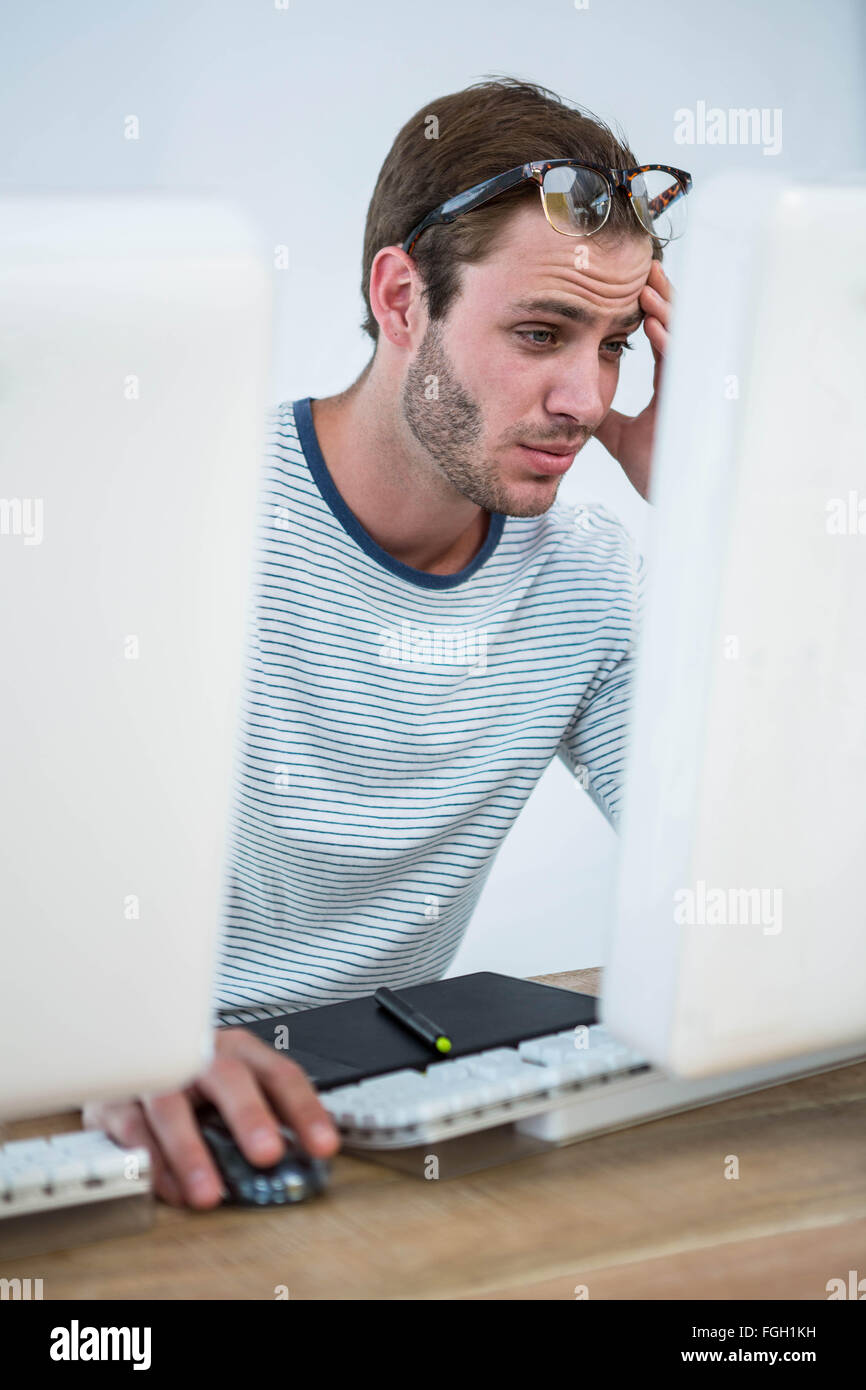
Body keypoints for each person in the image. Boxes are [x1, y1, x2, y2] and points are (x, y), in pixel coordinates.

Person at [85, 76, 683, 1207]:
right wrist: (103, 1044)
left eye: (612, 346)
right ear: (401, 297)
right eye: (540, 333)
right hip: (122, 1137)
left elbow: (767, 878)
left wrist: (714, 513)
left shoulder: (591, 578)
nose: (584, 399)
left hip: (370, 1137)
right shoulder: (166, 512)